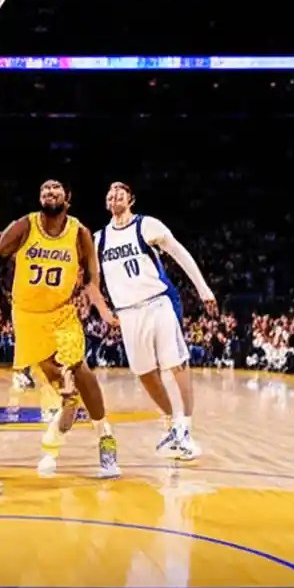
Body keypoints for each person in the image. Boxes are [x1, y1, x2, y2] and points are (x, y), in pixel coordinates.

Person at [0, 179, 121, 478]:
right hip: (27, 317)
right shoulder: (25, 226)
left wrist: (104, 311)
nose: (49, 192)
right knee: (61, 388)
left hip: (61, 313)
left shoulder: (79, 233)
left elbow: (92, 280)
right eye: (44, 188)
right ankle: (54, 441)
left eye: (56, 188)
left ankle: (104, 436)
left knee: (79, 370)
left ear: (67, 198)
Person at [95, 181, 216, 461]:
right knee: (144, 373)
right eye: (110, 191)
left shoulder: (146, 225)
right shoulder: (98, 238)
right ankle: (173, 424)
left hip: (157, 303)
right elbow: (91, 279)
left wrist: (203, 288)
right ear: (107, 201)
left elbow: (180, 253)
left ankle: (185, 428)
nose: (115, 194)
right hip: (127, 312)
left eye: (121, 191)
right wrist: (102, 308)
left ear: (131, 199)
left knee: (176, 364)